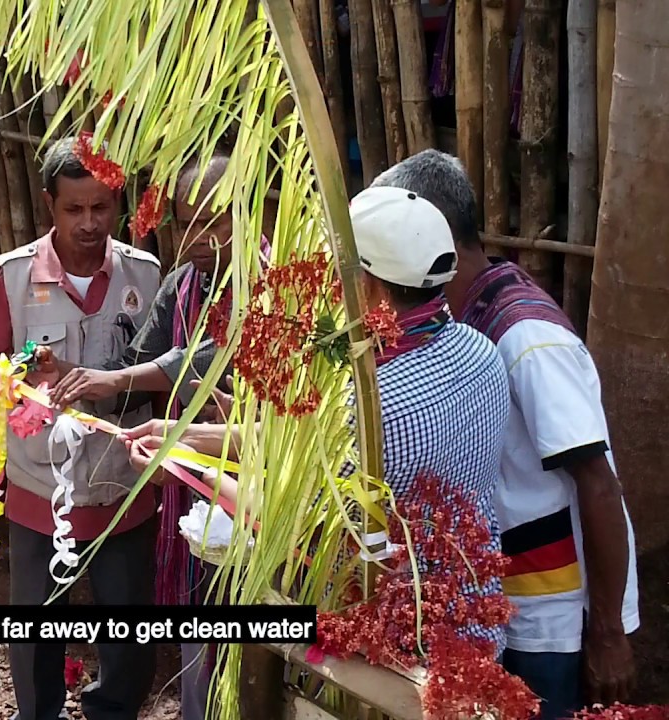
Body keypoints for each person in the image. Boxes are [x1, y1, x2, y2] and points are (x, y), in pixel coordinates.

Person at [124, 185, 514, 652]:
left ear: (365, 285)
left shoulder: (366, 407)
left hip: (388, 647)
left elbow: (282, 516)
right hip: (472, 621)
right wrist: (184, 436)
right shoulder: (482, 352)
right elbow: (295, 447)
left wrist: (189, 470)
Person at [370, 149, 640, 719]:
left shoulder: (526, 338)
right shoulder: (459, 320)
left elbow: (598, 482)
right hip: (497, 597)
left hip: (550, 611)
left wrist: (609, 632)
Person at [0, 135, 162, 720]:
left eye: (101, 208)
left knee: (127, 632)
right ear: (49, 204)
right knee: (34, 630)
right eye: (74, 209)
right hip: (37, 490)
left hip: (122, 487)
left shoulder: (146, 277)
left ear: (117, 207)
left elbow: (168, 370)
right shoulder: (19, 277)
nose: (89, 223)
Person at [33, 153, 258, 720]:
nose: (200, 237)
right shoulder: (182, 284)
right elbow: (142, 362)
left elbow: (207, 355)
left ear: (248, 212)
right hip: (188, 486)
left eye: (216, 221)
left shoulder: (271, 284)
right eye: (186, 222)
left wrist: (114, 377)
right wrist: (73, 380)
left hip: (255, 487)